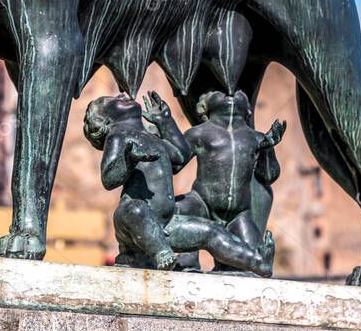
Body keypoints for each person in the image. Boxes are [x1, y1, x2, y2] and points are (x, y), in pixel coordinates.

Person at [83, 92, 275, 275]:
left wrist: (165, 120)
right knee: (137, 209)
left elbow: (180, 155)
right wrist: (128, 159)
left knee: (212, 231)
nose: (123, 95)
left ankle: (258, 262)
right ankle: (161, 253)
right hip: (132, 220)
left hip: (165, 225)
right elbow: (108, 179)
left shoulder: (153, 138)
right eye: (113, 100)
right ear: (106, 120)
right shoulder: (119, 136)